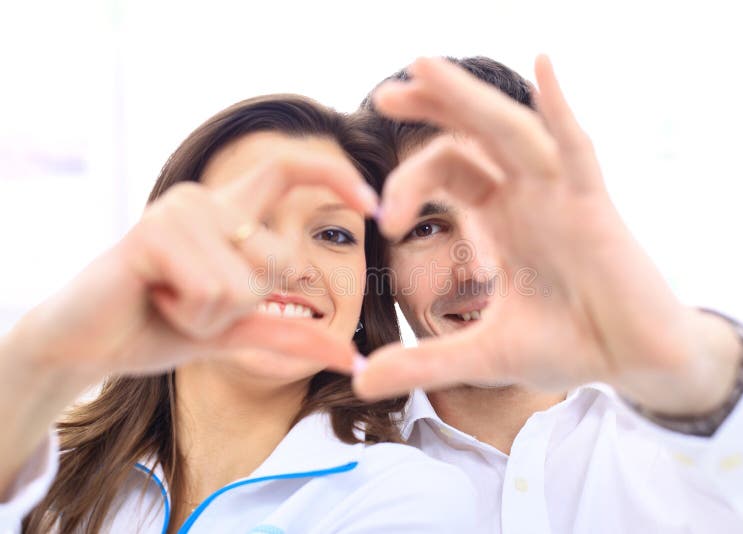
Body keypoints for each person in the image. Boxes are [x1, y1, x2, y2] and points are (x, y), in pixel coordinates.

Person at [352, 56, 743, 533]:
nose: (478, 269)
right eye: (425, 228)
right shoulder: (342, 476)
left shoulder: (692, 434)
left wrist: (688, 365)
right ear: (380, 264)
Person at [0, 94, 476, 533]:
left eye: (333, 234)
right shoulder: (39, 468)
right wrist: (47, 355)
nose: (288, 266)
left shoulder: (411, 496)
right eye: (249, 223)